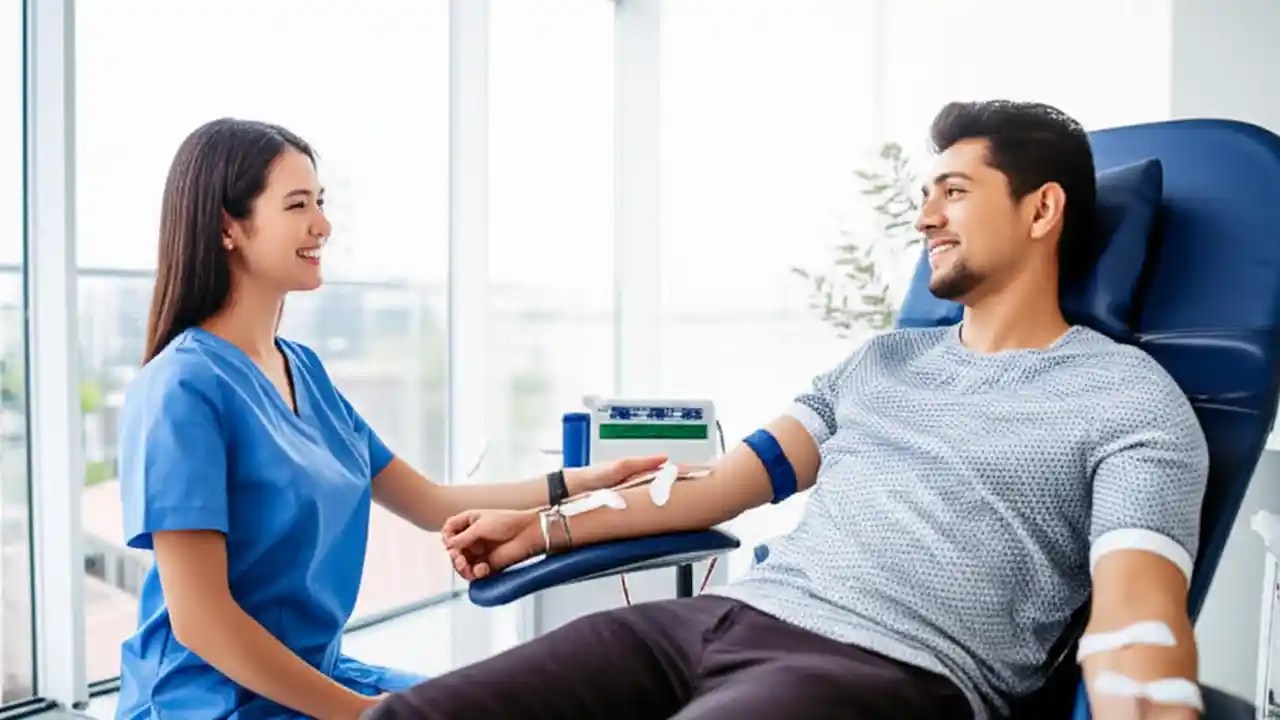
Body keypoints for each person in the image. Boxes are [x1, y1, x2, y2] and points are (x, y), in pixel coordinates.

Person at [365, 100, 1210, 720]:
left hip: (892, 673)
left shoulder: (1128, 398)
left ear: (1042, 209)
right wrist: (543, 527)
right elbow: (718, 487)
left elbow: (1138, 609)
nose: (923, 218)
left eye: (952, 191)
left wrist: (1150, 700)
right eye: (926, 194)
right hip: (718, 623)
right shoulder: (881, 361)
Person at [115, 118, 667, 720]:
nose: (322, 224)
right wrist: (361, 714)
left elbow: (431, 502)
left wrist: (576, 486)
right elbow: (201, 622)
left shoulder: (302, 370)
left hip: (316, 680)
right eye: (297, 205)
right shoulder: (182, 388)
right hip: (208, 702)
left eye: (320, 202)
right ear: (228, 226)